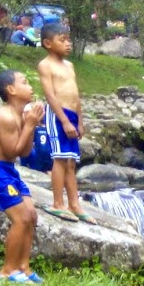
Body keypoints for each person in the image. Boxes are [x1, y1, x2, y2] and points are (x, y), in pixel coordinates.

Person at [0, 70, 46, 284]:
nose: (30, 87)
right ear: (11, 90)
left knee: (31, 216)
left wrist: (30, 125)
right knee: (21, 217)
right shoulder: (5, 116)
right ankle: (6, 271)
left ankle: (23, 267)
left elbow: (24, 153)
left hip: (7, 170)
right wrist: (31, 124)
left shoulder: (19, 115)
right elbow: (11, 151)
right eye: (25, 82)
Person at [36, 23, 92, 224]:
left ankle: (74, 204)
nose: (68, 44)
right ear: (48, 43)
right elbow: (50, 95)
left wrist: (79, 121)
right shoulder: (45, 65)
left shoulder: (70, 66)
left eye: (69, 40)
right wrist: (65, 121)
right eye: (63, 40)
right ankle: (57, 203)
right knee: (60, 158)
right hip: (58, 115)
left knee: (71, 161)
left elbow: (75, 95)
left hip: (72, 115)